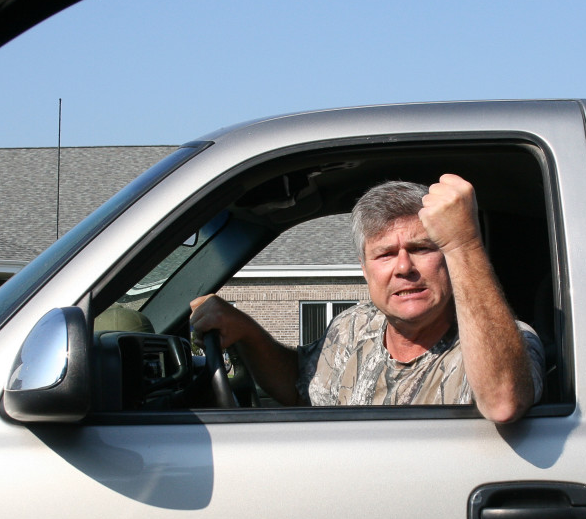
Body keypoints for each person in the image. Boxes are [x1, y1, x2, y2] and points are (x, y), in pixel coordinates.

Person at [189, 174, 545, 423]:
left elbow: (503, 403)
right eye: (385, 254)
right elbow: (300, 390)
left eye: (422, 248)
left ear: (447, 257)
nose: (403, 267)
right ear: (365, 270)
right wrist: (245, 330)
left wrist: (463, 243)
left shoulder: (508, 342)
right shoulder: (354, 325)